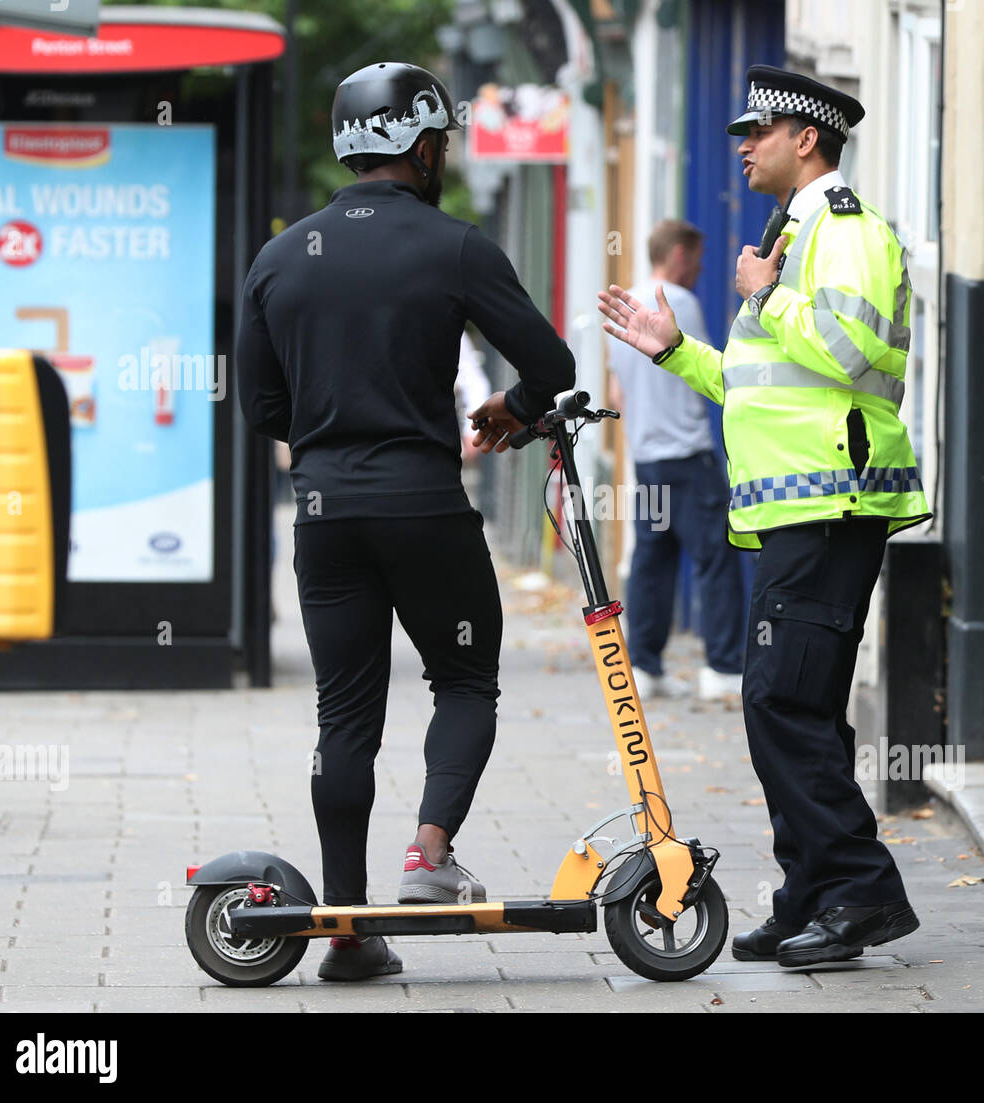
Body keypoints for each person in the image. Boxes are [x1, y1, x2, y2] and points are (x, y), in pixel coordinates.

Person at [236, 62, 575, 981]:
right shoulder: (454, 246)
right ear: (422, 145)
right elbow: (554, 362)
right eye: (443, 144)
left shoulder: (280, 256)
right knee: (465, 677)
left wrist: (325, 431)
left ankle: (348, 929)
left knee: (344, 713)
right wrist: (511, 406)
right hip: (425, 506)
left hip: (325, 513)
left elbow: (261, 405)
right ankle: (427, 854)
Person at [598, 65, 930, 968]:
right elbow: (759, 381)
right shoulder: (791, 233)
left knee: (779, 699)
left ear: (807, 140)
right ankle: (813, 891)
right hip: (799, 508)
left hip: (834, 498)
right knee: (799, 706)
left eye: (759, 130)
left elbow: (851, 346)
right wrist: (676, 353)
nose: (743, 144)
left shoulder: (848, 227)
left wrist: (763, 296)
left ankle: (860, 891)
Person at [605, 219, 746, 701]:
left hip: (647, 456)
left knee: (652, 560)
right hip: (688, 453)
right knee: (717, 559)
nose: (701, 269)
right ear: (680, 253)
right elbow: (708, 369)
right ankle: (722, 670)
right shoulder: (677, 303)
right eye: (699, 258)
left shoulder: (624, 306)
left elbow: (615, 392)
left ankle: (644, 667)